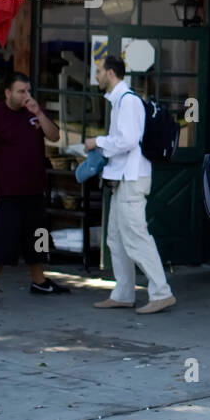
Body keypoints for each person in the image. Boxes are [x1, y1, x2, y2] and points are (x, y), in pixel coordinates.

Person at [84, 56, 175, 315]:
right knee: (116, 238)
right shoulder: (121, 101)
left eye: (99, 71)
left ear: (111, 73)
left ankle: (161, 292)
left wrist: (97, 143)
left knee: (136, 237)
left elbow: (127, 140)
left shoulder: (128, 101)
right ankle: (123, 293)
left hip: (132, 179)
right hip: (124, 179)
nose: (97, 76)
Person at [0, 72, 69, 304]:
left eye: (28, 90)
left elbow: (55, 136)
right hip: (6, 190)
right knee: (3, 239)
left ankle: (40, 281)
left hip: (35, 189)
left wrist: (38, 113)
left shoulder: (34, 112)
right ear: (8, 93)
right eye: (20, 91)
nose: (26, 95)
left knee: (38, 237)